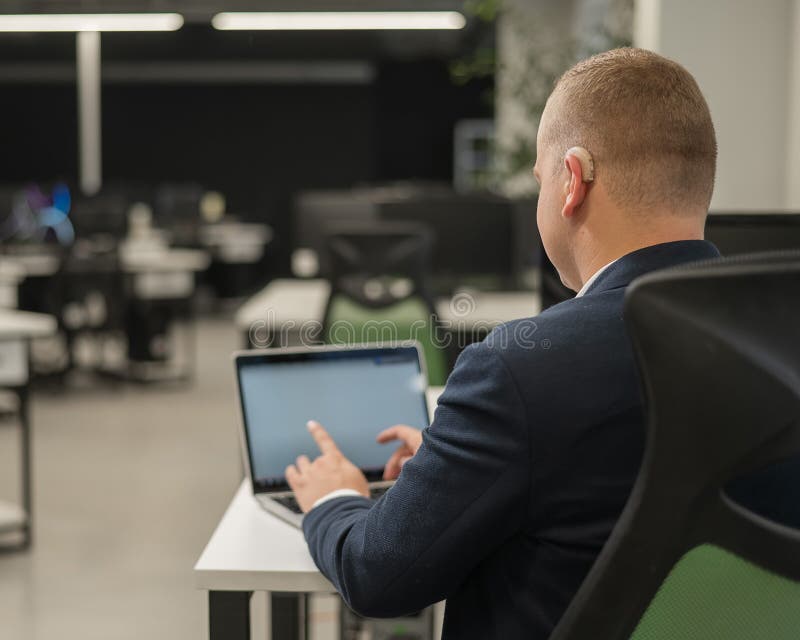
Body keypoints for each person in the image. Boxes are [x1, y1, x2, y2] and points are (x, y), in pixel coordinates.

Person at [286, 47, 720, 639]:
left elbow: (377, 576)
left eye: (540, 181)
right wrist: (461, 463)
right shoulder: (774, 334)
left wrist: (335, 500)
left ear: (572, 182)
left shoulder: (520, 369)